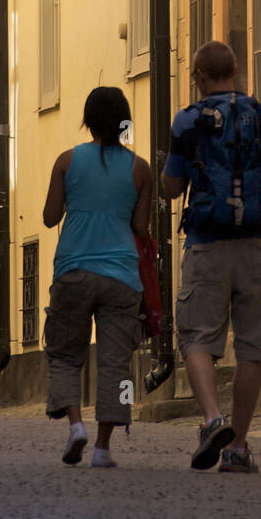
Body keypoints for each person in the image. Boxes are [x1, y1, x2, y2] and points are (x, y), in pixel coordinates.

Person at [162, 40, 261, 474]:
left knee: (198, 338)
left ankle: (213, 418)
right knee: (253, 347)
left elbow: (173, 188)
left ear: (199, 75)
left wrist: (172, 169)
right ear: (235, 71)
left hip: (205, 244)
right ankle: (238, 447)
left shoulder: (187, 122)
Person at [42, 86, 152, 467]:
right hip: (122, 276)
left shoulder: (66, 161)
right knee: (115, 364)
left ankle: (76, 426)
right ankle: (103, 449)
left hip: (73, 270)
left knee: (64, 354)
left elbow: (50, 216)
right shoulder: (140, 169)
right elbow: (140, 226)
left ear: (88, 120)